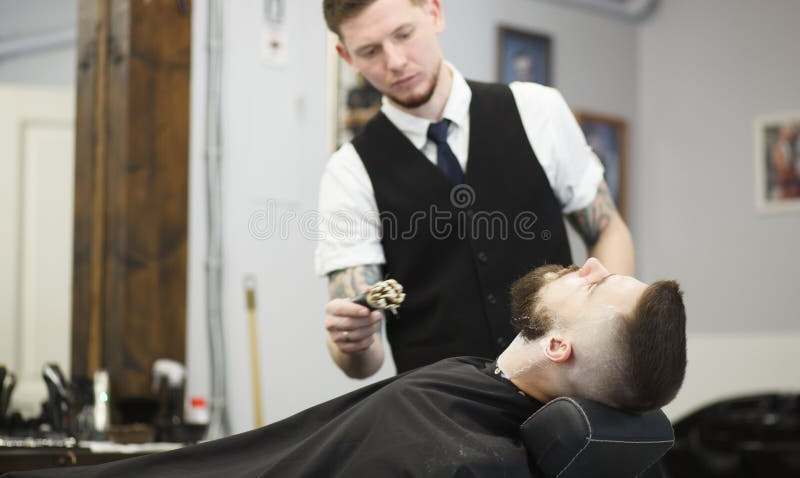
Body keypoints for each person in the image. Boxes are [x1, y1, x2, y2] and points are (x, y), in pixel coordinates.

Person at [3, 258, 687, 478]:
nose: (590, 261)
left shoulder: (456, 457)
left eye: (597, 286)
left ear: (560, 348)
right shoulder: (475, 395)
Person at [317, 0, 635, 379]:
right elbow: (362, 362)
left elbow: (607, 228)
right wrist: (351, 342)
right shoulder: (350, 173)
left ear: (434, 13)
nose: (394, 62)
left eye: (404, 34)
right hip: (440, 417)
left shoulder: (536, 110)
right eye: (370, 51)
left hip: (563, 389)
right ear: (346, 56)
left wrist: (604, 330)